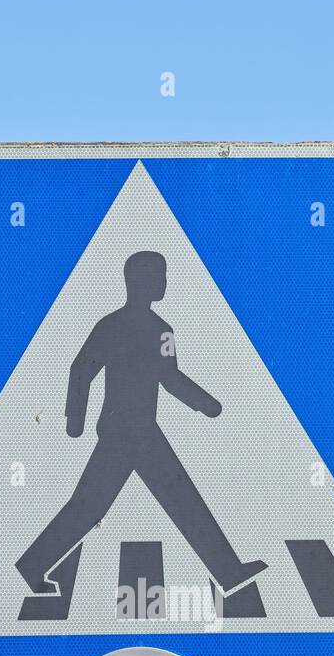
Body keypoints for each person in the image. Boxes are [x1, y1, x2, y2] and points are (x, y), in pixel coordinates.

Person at [16, 251, 266, 596]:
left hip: (139, 430)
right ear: (138, 281)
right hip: (123, 433)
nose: (164, 282)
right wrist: (75, 420)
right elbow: (83, 369)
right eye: (159, 275)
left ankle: (229, 571)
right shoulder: (122, 326)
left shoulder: (157, 329)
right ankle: (229, 570)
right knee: (99, 506)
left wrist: (204, 403)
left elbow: (168, 377)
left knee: (169, 501)